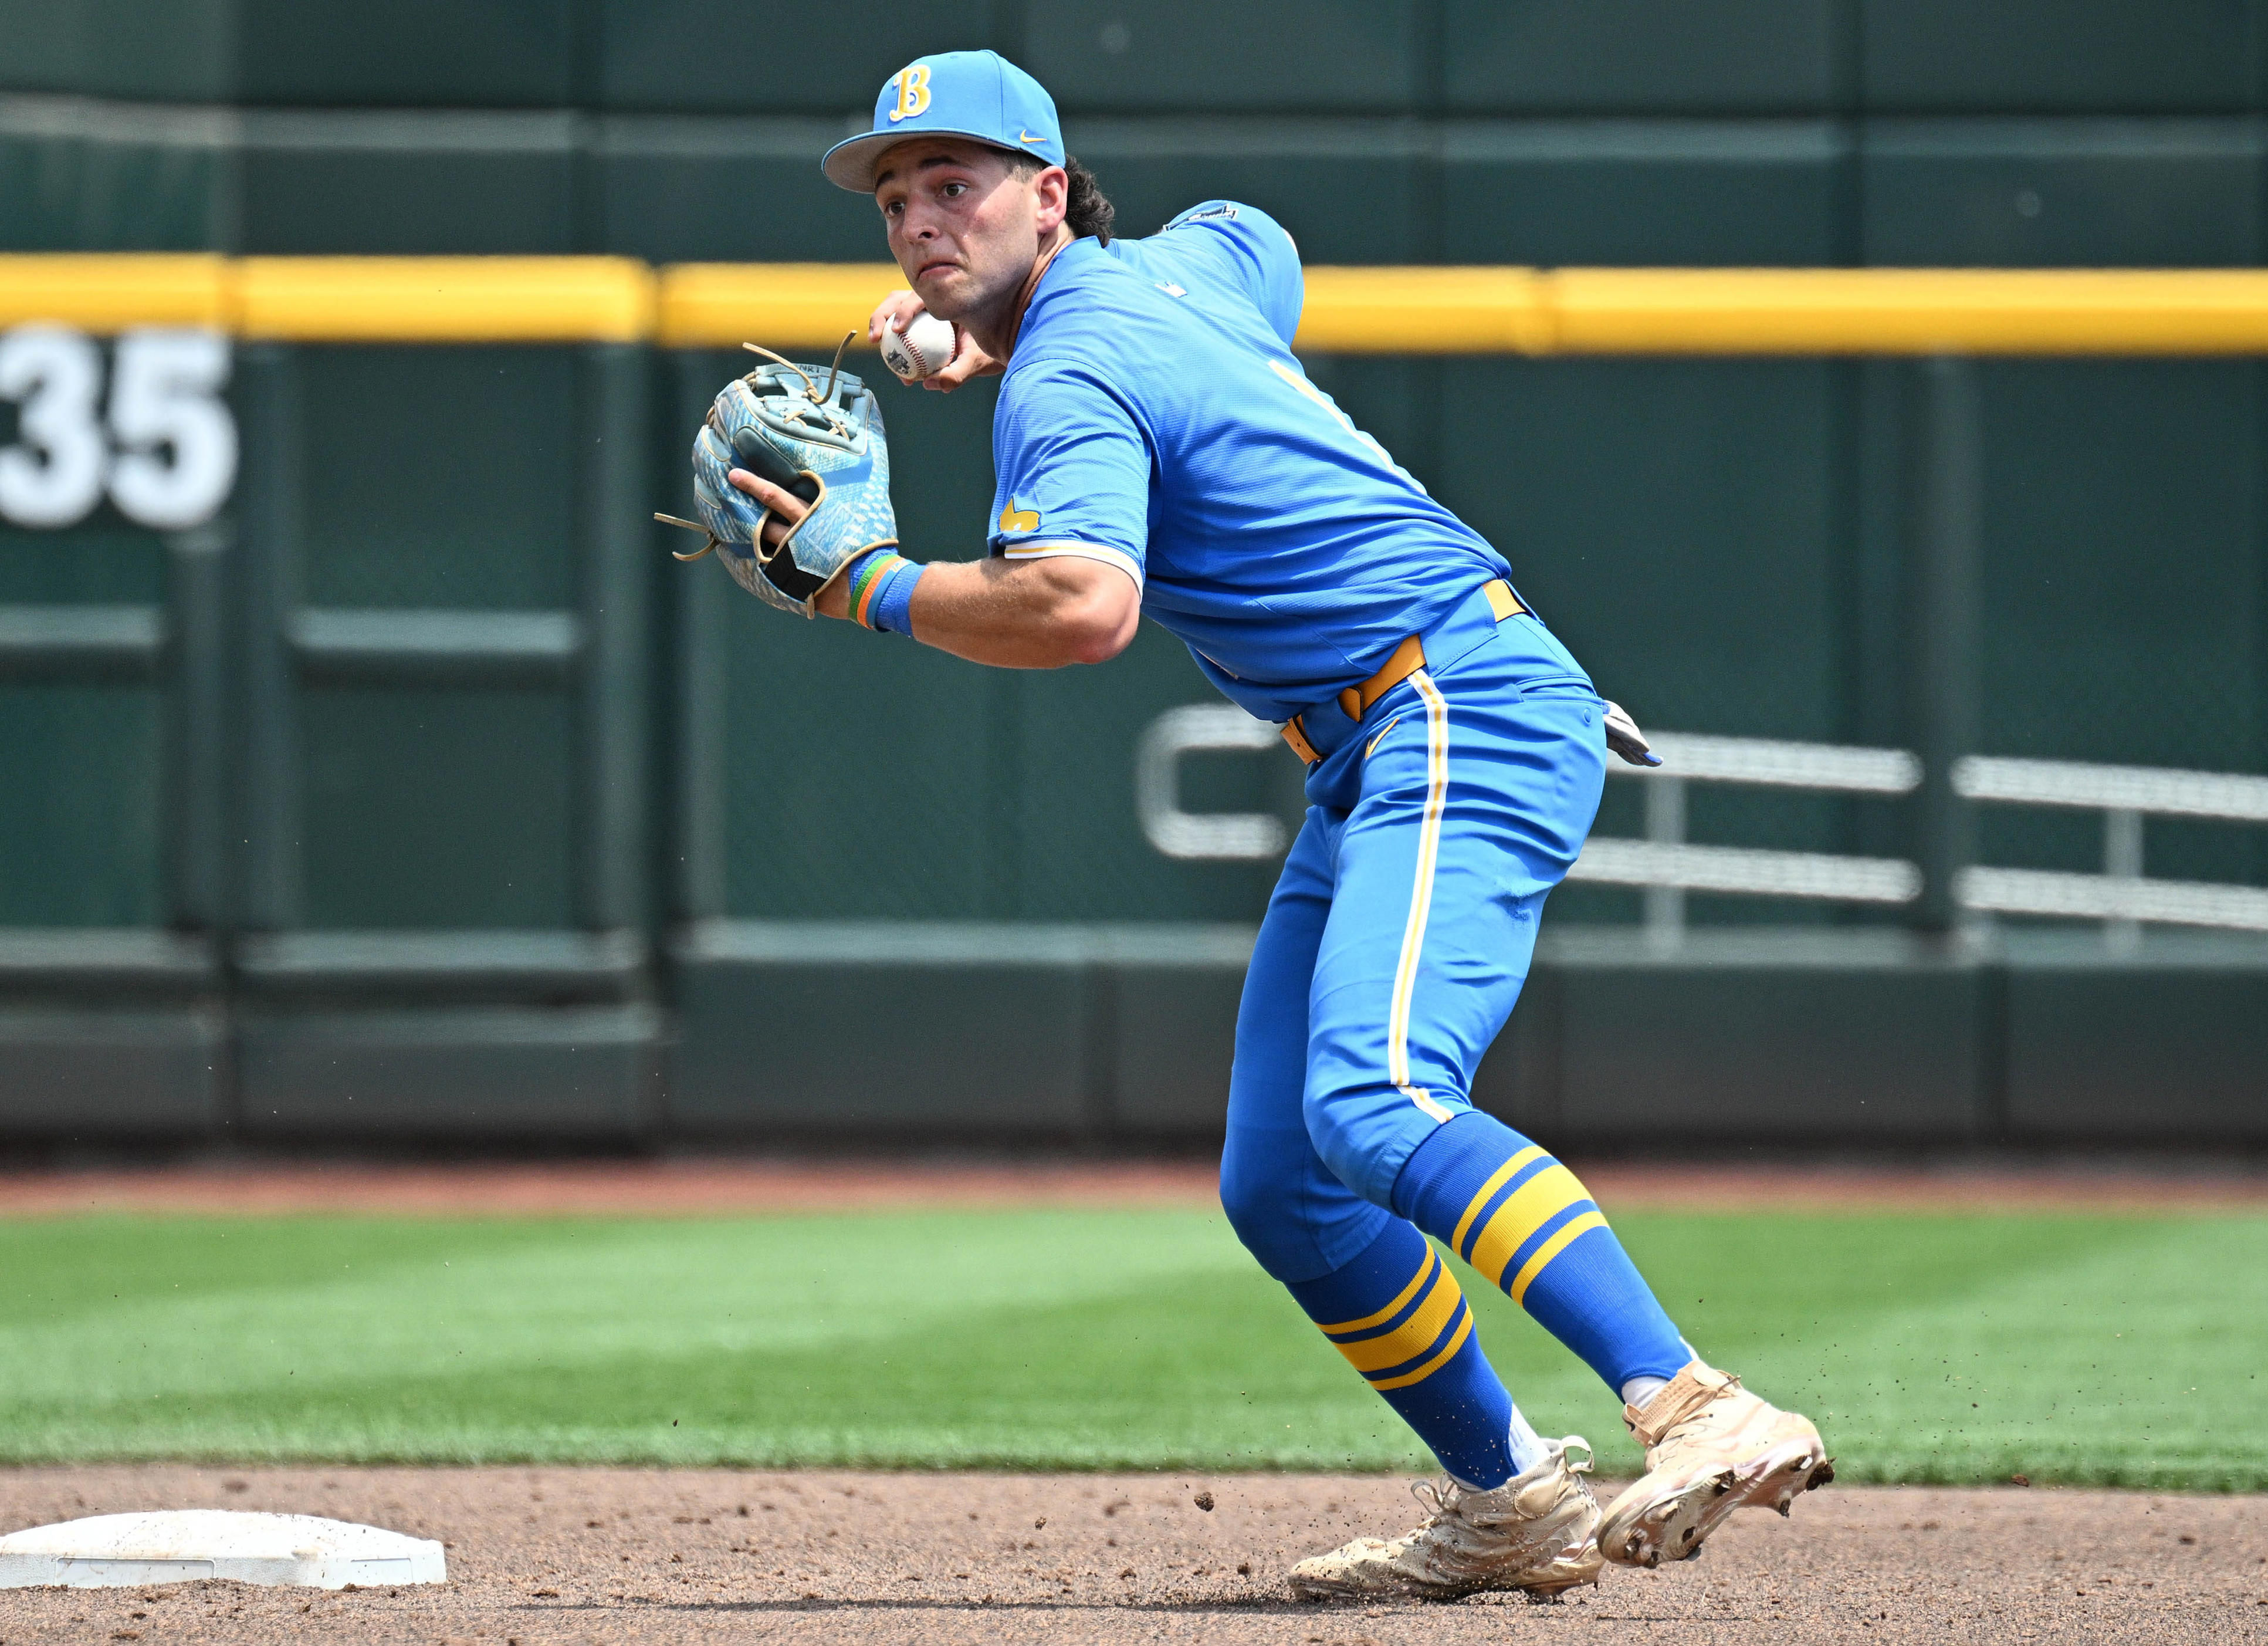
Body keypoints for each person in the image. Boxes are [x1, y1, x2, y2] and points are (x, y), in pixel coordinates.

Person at [723, 48, 1831, 1600]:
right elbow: (1261, 241)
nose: (918, 220)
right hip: (1386, 735)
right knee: (1283, 1180)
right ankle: (1508, 1494)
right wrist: (985, 323)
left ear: (1048, 195)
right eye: (898, 198)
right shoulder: (1174, 273)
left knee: (1374, 1098)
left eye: (957, 186)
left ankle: (1697, 1404)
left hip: (1456, 702)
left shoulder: (1069, 374)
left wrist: (869, 585)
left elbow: (1083, 606)